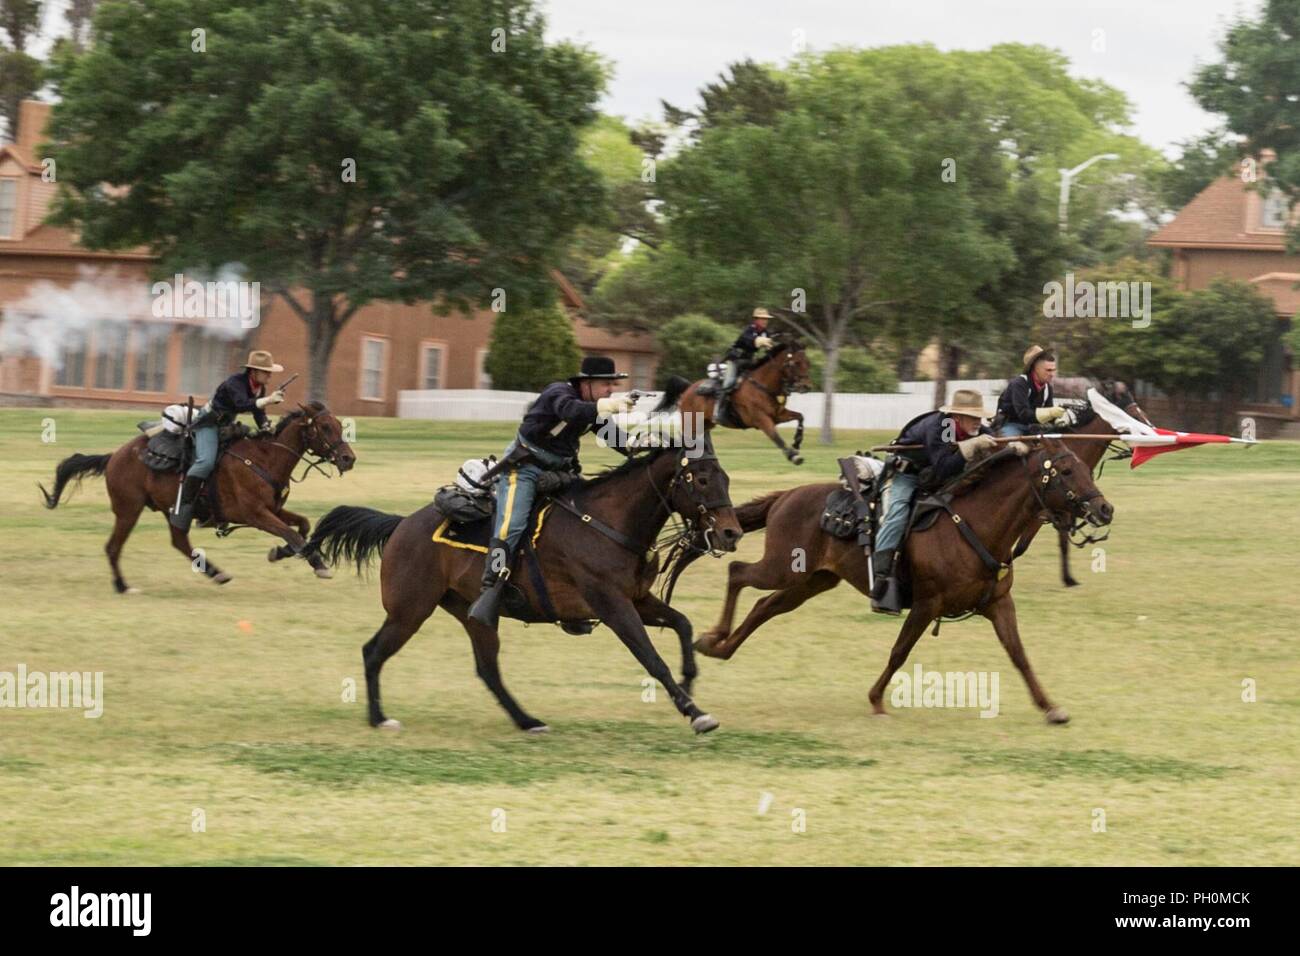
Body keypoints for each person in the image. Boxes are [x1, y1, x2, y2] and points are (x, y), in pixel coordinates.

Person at [468, 356, 636, 629]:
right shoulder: (559, 393)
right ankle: (491, 587)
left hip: (560, 473)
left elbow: (611, 435)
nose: (611, 390)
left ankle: (570, 601)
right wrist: (609, 406)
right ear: (588, 384)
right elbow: (570, 411)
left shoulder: (590, 408)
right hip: (523, 469)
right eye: (607, 385)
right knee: (510, 526)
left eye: (612, 386)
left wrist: (639, 445)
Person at [870, 389, 1012, 615]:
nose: (979, 422)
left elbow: (996, 443)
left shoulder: (976, 428)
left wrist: (1015, 450)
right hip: (907, 475)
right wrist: (970, 447)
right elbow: (944, 466)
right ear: (957, 417)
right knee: (897, 514)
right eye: (974, 417)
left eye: (980, 417)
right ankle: (882, 580)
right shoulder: (940, 427)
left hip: (935, 478)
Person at [169, 350, 285, 531]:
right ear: (253, 371)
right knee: (205, 462)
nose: (269, 375)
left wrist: (265, 426)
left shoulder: (259, 387)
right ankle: (185, 504)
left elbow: (258, 412)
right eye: (266, 371)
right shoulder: (235, 383)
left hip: (226, 426)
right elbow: (242, 404)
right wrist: (268, 400)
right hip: (208, 424)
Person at [996, 345, 1066, 436]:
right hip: (1012, 424)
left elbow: (1049, 414)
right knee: (1013, 446)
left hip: (1034, 426)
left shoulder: (1048, 388)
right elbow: (1023, 414)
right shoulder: (1019, 384)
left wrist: (1059, 417)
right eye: (1048, 370)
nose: (1052, 374)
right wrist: (1050, 412)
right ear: (1035, 368)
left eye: (1053, 370)